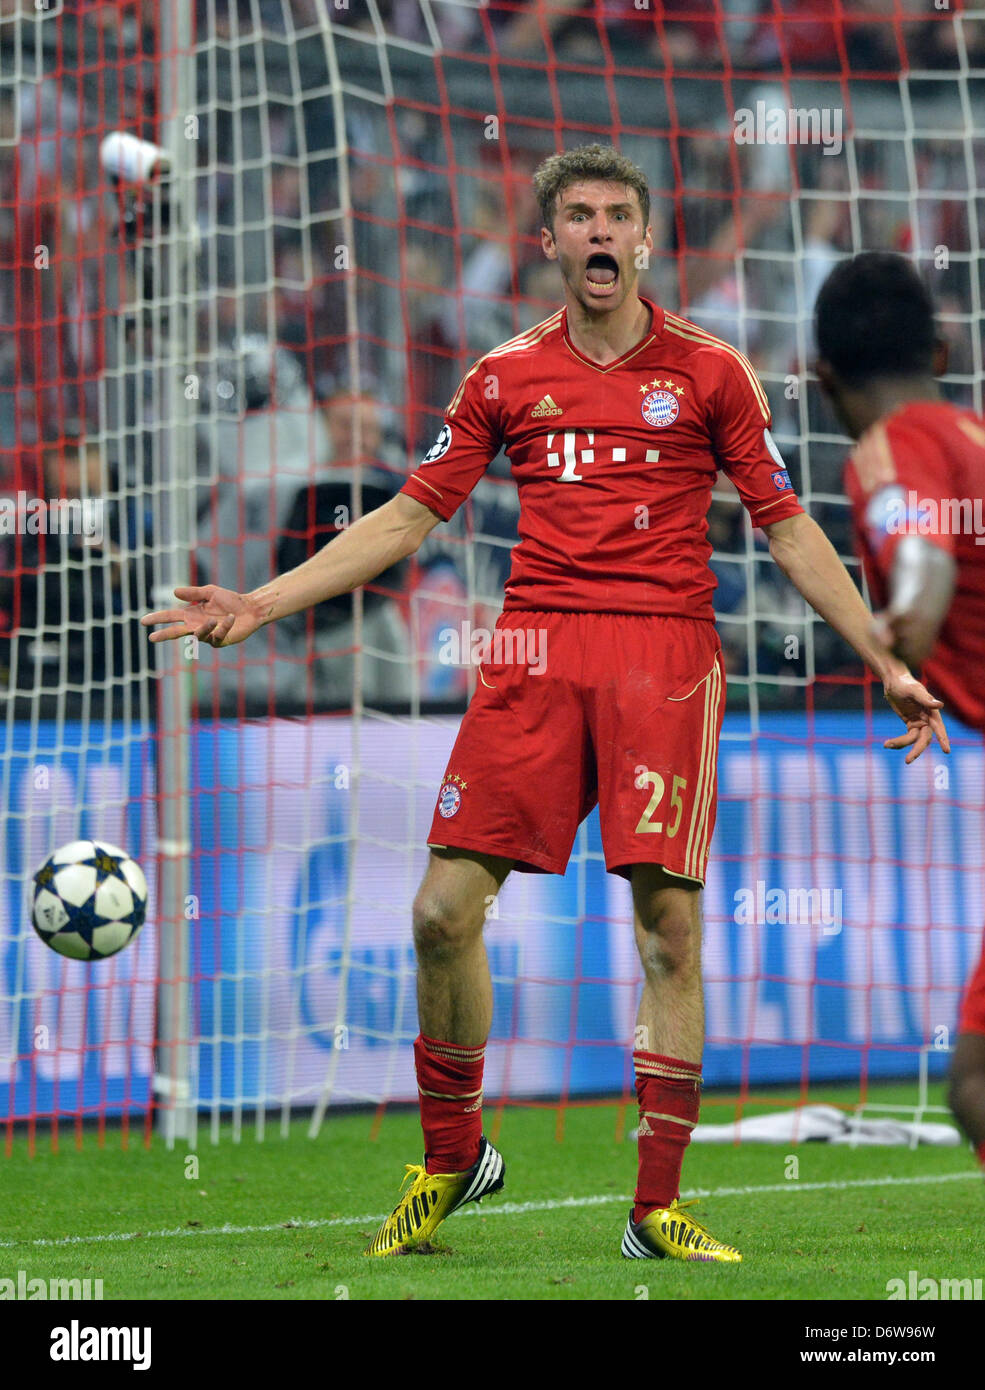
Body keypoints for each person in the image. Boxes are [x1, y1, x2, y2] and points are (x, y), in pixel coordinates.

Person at [142, 145, 948, 1263]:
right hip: (531, 656)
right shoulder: (500, 377)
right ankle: (453, 1156)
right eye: (579, 216)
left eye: (619, 214)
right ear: (551, 241)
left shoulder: (711, 372)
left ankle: (653, 1207)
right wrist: (261, 604)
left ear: (648, 239)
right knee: (438, 914)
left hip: (664, 658)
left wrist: (883, 655)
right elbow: (405, 518)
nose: (601, 232)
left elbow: (789, 528)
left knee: (667, 931)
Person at [815, 250, 985, 1177]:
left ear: (819, 377)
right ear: (945, 347)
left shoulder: (890, 448)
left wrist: (903, 626)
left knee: (973, 1086)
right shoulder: (971, 433)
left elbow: (919, 552)